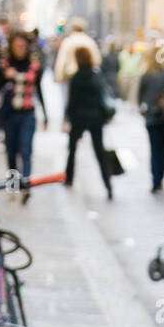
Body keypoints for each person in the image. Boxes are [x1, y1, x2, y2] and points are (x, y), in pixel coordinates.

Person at [0, 30, 48, 192]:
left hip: (27, 112)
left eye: (23, 46)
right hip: (9, 113)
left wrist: (45, 115)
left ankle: (25, 185)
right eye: (17, 46)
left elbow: (39, 90)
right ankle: (13, 186)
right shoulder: (5, 65)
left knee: (26, 149)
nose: (20, 49)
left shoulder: (33, 66)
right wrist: (2, 75)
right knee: (11, 151)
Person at [64, 46, 113, 199]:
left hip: (79, 118)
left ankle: (69, 178)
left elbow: (72, 101)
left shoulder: (76, 77)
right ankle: (108, 184)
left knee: (72, 150)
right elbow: (102, 97)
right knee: (100, 152)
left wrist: (67, 118)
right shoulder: (96, 75)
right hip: (95, 118)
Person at [138, 45, 164, 193]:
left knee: (155, 149)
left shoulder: (146, 75)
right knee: (162, 150)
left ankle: (156, 180)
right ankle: (160, 179)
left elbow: (140, 97)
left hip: (151, 117)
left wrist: (143, 109)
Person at [54, 17, 102, 85]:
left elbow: (62, 60)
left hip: (72, 76)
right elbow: (97, 60)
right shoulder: (89, 41)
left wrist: (59, 77)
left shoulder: (68, 42)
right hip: (87, 77)